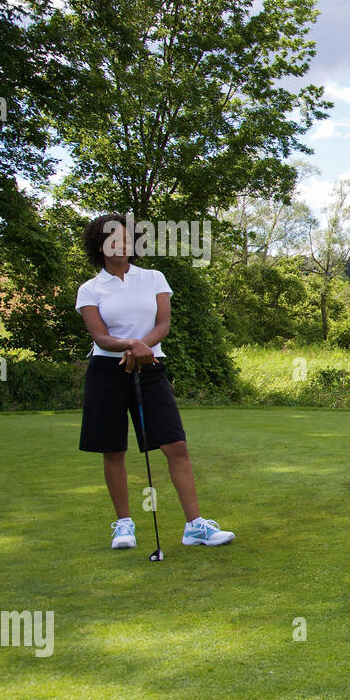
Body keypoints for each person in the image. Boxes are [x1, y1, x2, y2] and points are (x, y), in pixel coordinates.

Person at [76, 213, 235, 549]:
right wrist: (131, 346)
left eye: (124, 239)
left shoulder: (153, 278)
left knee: (175, 445)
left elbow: (163, 324)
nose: (119, 245)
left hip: (149, 369)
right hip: (107, 372)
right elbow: (101, 337)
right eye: (111, 239)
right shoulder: (90, 289)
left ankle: (194, 526)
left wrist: (141, 347)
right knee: (113, 449)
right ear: (99, 245)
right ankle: (124, 525)